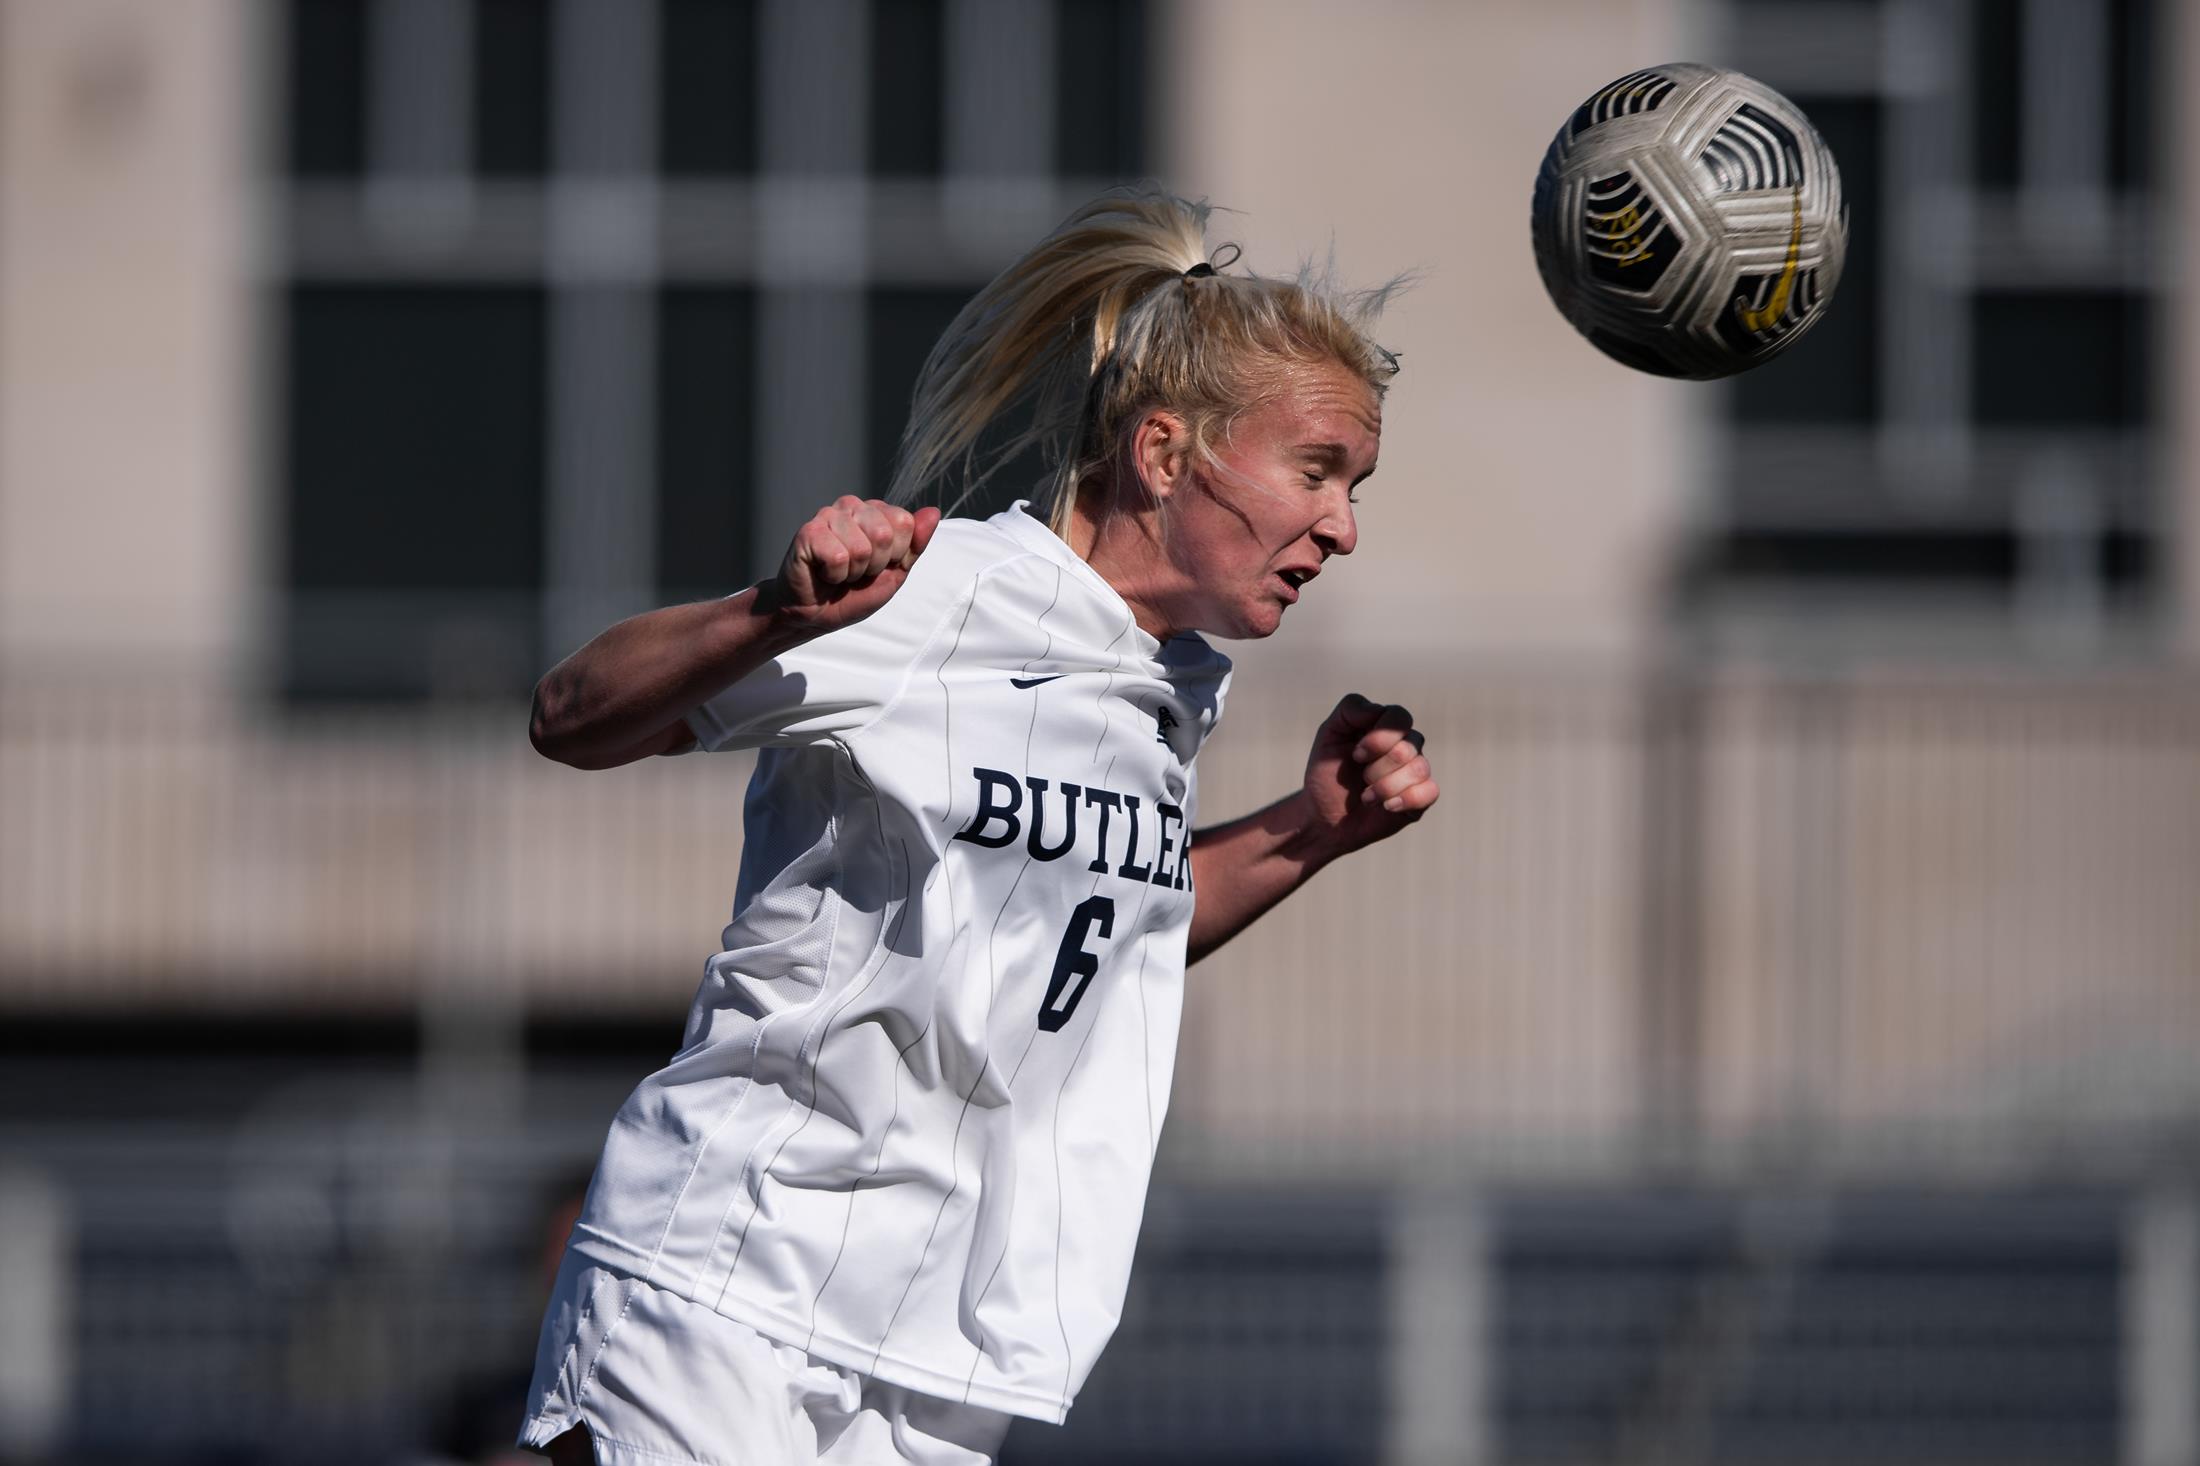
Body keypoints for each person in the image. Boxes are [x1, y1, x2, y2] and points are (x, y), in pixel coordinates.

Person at [517, 190, 1439, 1466]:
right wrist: (773, 616)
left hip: (946, 1335)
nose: (1341, 526)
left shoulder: (1167, 688)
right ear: (1165, 454)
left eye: (1354, 485)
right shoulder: (936, 591)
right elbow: (570, 715)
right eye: (1318, 469)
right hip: (734, 1268)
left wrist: (1309, 828)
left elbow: (1116, 943)